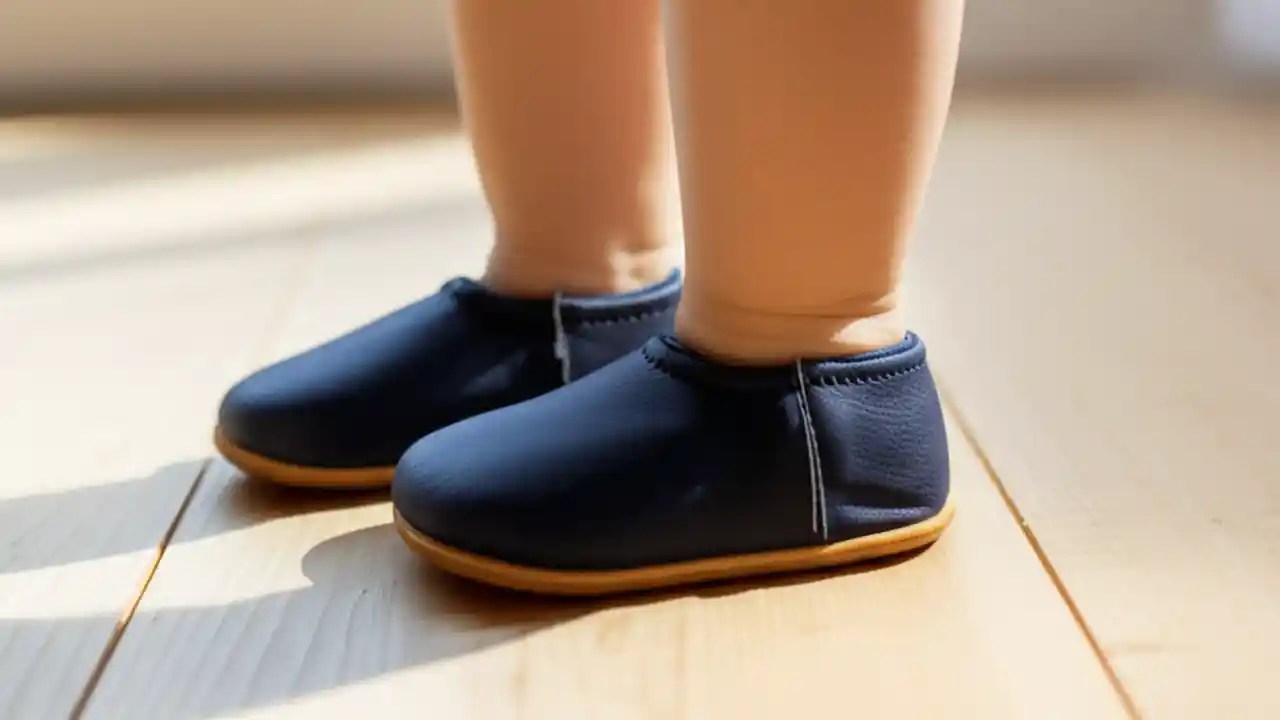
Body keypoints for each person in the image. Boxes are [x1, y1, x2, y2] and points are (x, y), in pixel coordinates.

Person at [215, 0, 964, 595]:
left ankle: (800, 347)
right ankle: (577, 268)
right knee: (578, 248)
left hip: (799, 402)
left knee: (795, 310)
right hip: (569, 319)